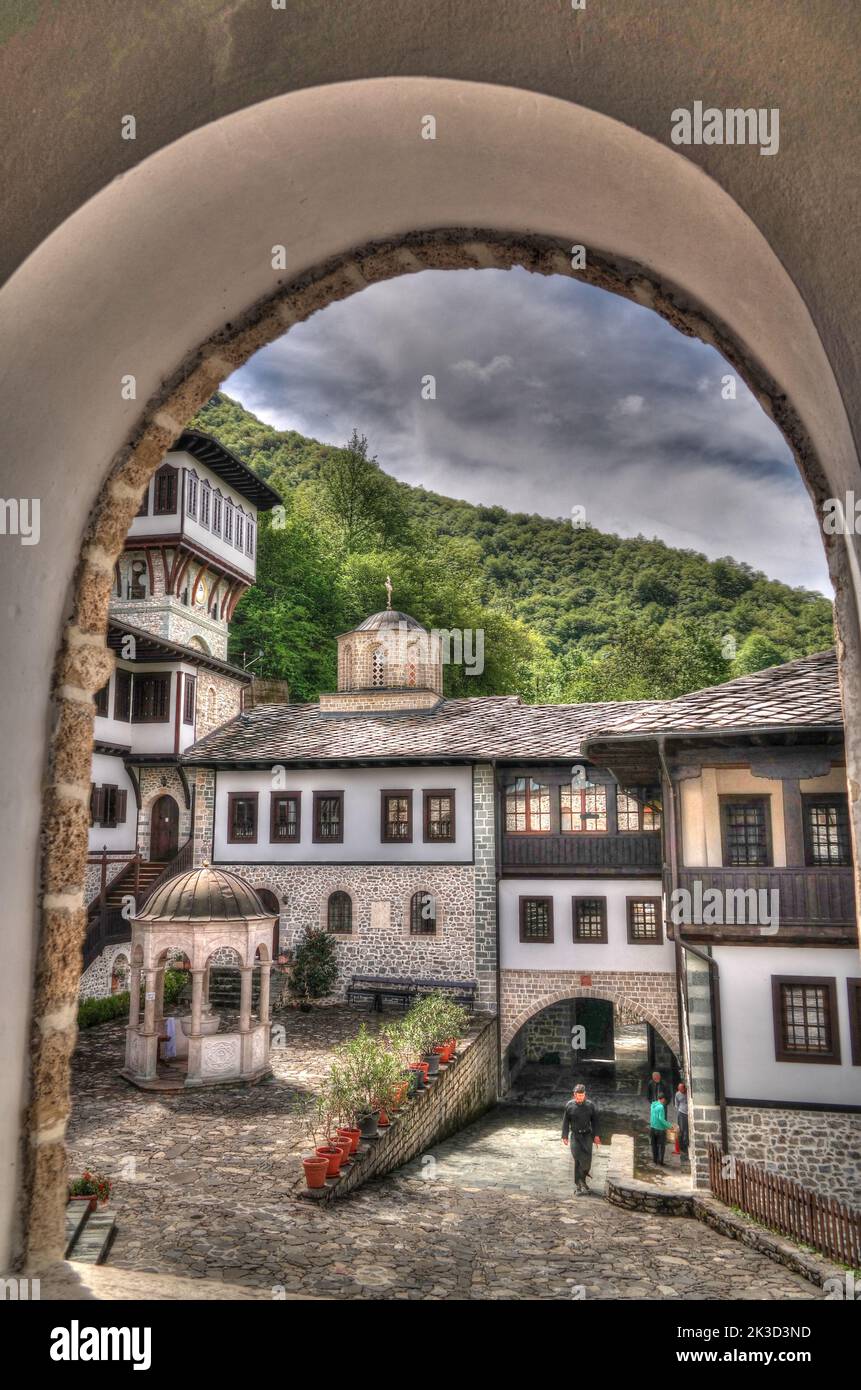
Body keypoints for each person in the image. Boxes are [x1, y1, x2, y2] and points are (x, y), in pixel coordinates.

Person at [561, 1083, 601, 1194]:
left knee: (587, 1161)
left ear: (585, 1095)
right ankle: (578, 1184)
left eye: (582, 1095)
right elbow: (565, 1122)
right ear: (574, 1095)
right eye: (578, 1096)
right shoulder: (569, 1105)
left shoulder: (590, 1106)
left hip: (587, 1136)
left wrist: (596, 1135)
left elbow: (595, 1122)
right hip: (575, 1136)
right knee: (578, 1159)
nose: (580, 1098)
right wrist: (565, 1136)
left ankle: (583, 1180)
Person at [649, 1096, 672, 1165]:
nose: (664, 1101)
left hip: (652, 1127)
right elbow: (661, 1118)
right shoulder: (661, 1107)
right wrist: (669, 1126)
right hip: (660, 1129)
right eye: (664, 1099)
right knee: (662, 1146)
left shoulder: (653, 1105)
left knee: (654, 1145)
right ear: (662, 1099)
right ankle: (661, 1161)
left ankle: (655, 1160)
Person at [674, 1082, 689, 1156]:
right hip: (681, 1113)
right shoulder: (677, 1094)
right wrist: (680, 1109)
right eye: (679, 1089)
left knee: (686, 1129)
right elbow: (676, 1104)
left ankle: (685, 1144)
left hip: (687, 1113)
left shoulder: (688, 1093)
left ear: (684, 1088)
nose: (680, 1091)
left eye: (681, 1089)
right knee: (682, 1129)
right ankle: (682, 1146)